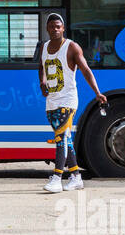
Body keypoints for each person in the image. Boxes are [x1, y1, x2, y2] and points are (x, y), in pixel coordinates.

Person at [40, 12, 108, 193]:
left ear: (63, 28)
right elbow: (41, 65)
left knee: (60, 138)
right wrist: (42, 81)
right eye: (51, 26)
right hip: (52, 101)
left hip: (68, 101)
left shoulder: (72, 47)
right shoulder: (44, 47)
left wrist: (97, 93)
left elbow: (85, 70)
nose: (55, 29)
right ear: (47, 28)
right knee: (65, 139)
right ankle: (76, 177)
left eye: (58, 26)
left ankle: (56, 178)